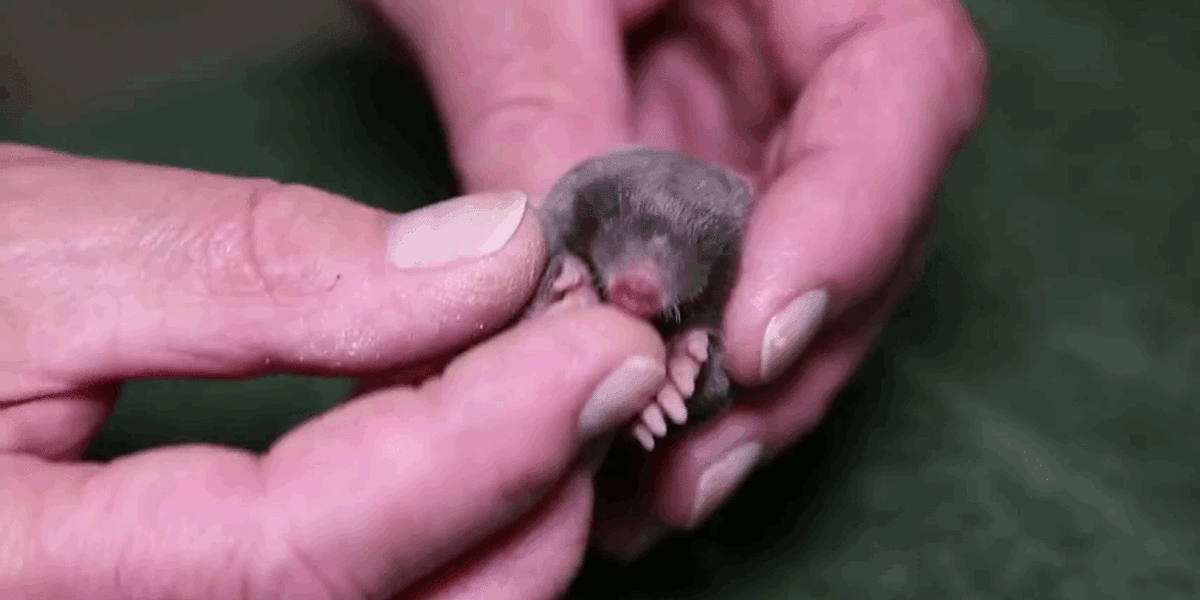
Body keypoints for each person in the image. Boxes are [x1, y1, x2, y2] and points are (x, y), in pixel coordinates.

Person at [0, 0, 986, 597]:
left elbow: (724, 358)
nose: (641, 280)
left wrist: (695, 363)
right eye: (628, 244)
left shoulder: (709, 294)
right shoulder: (576, 226)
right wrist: (547, 245)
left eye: (672, 264)